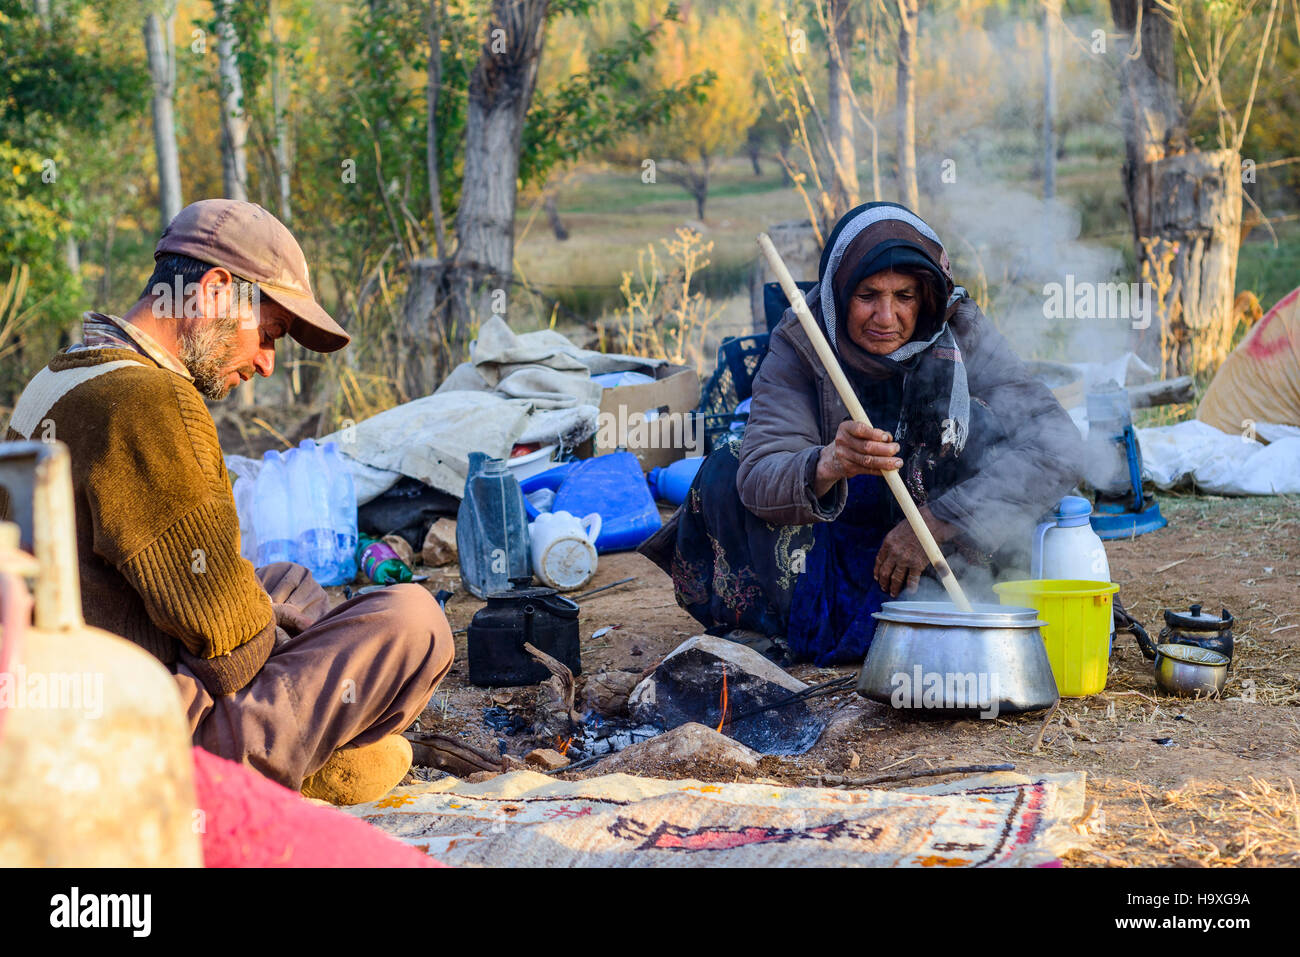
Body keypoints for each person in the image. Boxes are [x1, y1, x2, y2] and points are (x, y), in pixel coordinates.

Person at [1, 199, 454, 804]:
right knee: (415, 620)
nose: (266, 363)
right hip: (139, 736)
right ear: (215, 291)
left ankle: (309, 743)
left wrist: (266, 606)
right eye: (268, 334)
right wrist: (276, 625)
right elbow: (227, 640)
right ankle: (271, 768)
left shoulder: (60, 377)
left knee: (286, 580)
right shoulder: (152, 401)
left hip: (61, 701)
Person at [641, 202, 1086, 666]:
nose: (886, 317)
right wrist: (827, 463)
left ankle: (957, 602)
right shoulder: (803, 337)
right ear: (840, 291)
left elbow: (1059, 445)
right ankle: (783, 623)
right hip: (832, 533)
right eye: (867, 295)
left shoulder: (956, 325)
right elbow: (760, 474)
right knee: (727, 466)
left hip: (941, 530)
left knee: (993, 435)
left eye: (904, 296)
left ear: (927, 295)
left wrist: (938, 520)